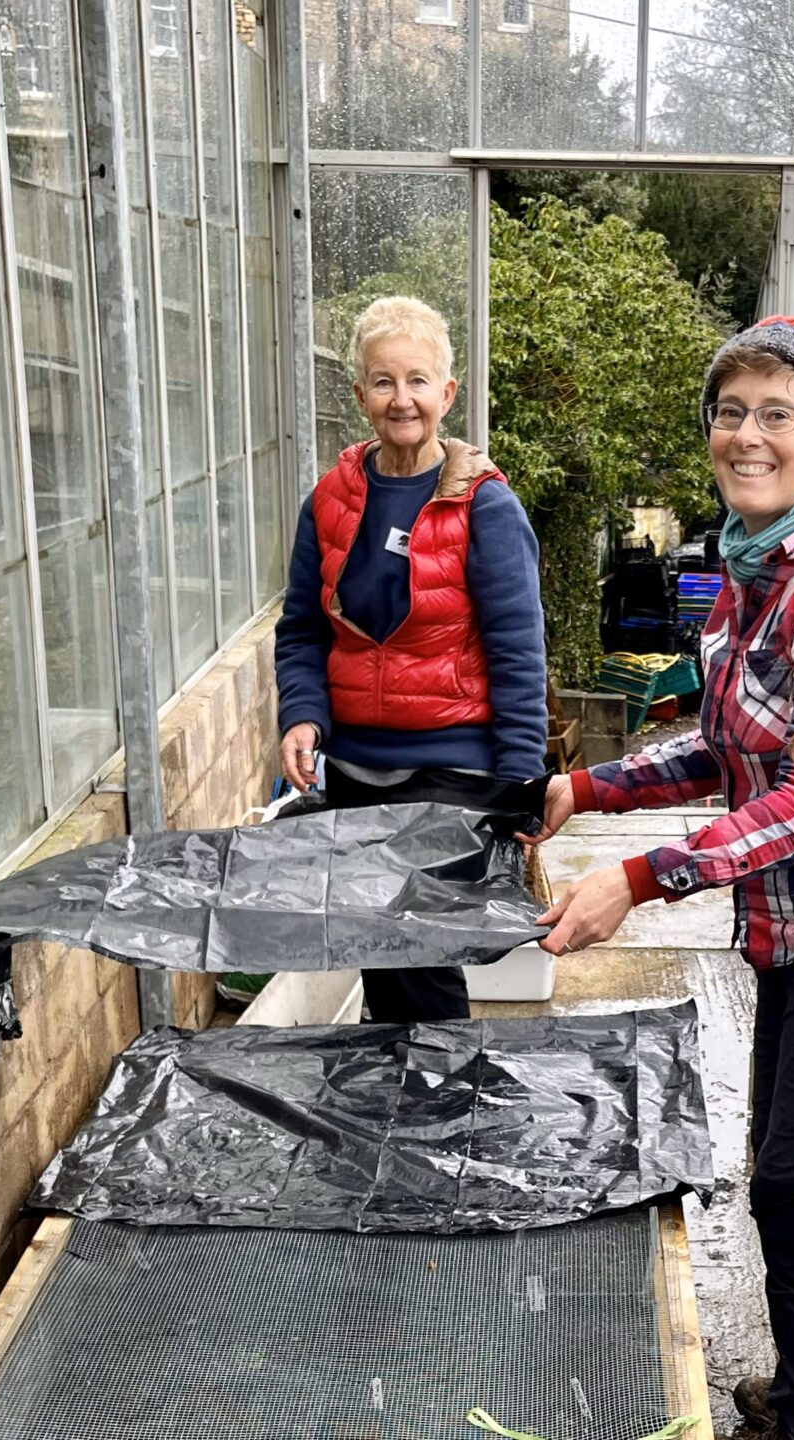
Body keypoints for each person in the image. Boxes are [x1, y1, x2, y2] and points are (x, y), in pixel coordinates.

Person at [523, 316, 794, 1440]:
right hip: (793, 932)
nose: (746, 435)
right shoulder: (753, 566)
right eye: (730, 412)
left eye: (777, 414)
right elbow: (723, 748)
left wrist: (642, 879)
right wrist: (587, 790)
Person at [269, 295, 548, 1023]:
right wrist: (303, 716)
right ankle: (406, 1084)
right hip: (356, 768)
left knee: (420, 958)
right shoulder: (330, 501)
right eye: (384, 381)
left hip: (451, 767)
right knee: (379, 950)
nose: (402, 400)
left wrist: (521, 784)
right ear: (359, 394)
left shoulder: (485, 507)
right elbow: (302, 629)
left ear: (446, 394)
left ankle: (437, 1085)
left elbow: (519, 653)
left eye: (418, 381)